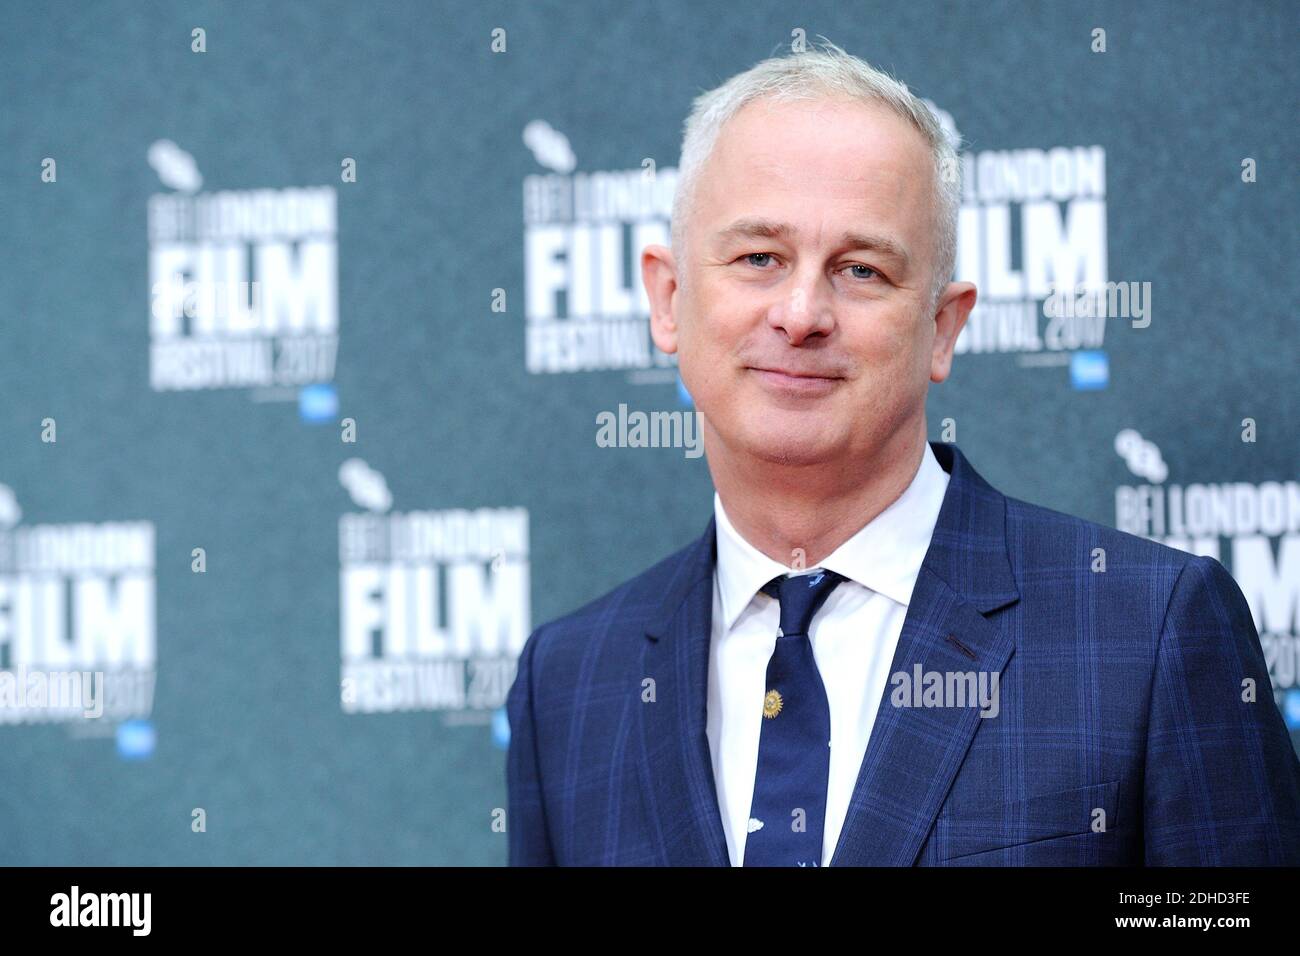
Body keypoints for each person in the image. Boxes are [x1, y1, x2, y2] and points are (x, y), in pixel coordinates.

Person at [506, 40, 1300, 866]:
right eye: (759, 259)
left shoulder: (1150, 630)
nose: (802, 312)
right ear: (668, 300)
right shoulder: (568, 683)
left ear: (943, 328)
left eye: (860, 269)